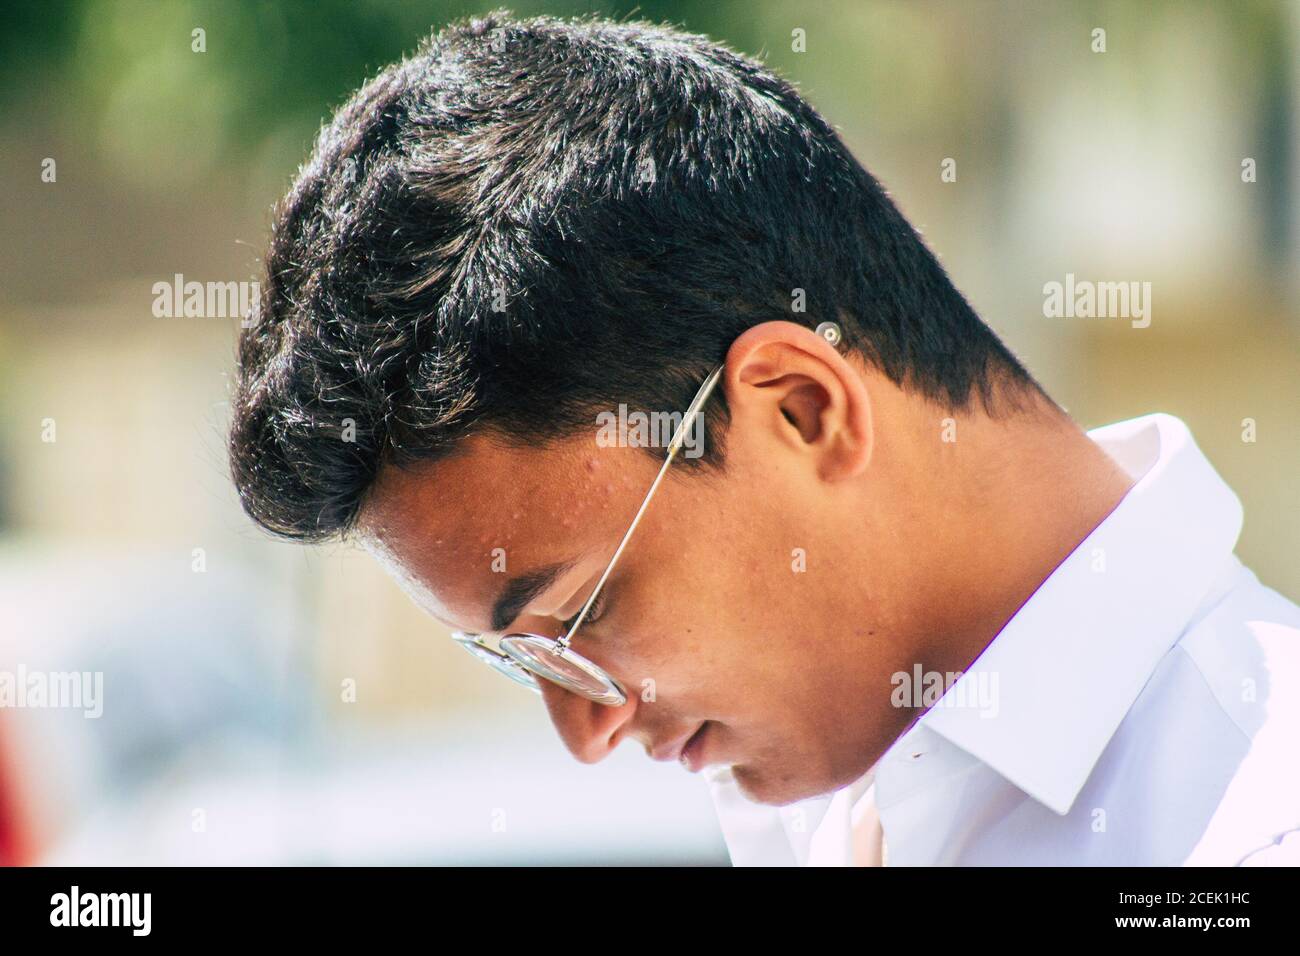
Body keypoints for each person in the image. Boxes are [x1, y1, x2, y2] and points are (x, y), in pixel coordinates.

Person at [227, 14, 1300, 865]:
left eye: (581, 616)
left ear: (800, 407)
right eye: (521, 662)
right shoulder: (828, 786)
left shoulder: (1251, 820)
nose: (587, 733)